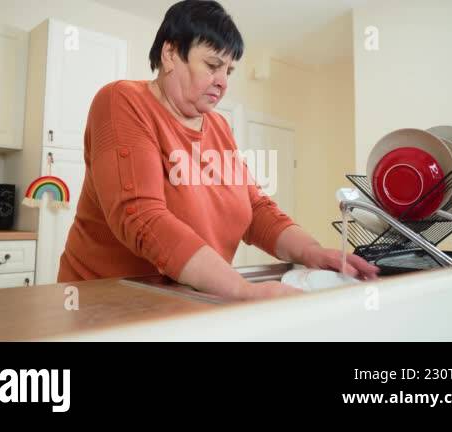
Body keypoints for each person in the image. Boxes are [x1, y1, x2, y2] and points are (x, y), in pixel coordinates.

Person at [57, 0, 379, 299]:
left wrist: (313, 251)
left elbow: (255, 210)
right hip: (105, 303)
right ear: (170, 54)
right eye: (213, 65)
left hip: (186, 299)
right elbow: (143, 217)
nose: (223, 82)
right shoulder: (122, 102)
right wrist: (241, 290)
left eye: (229, 70)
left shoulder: (219, 127)